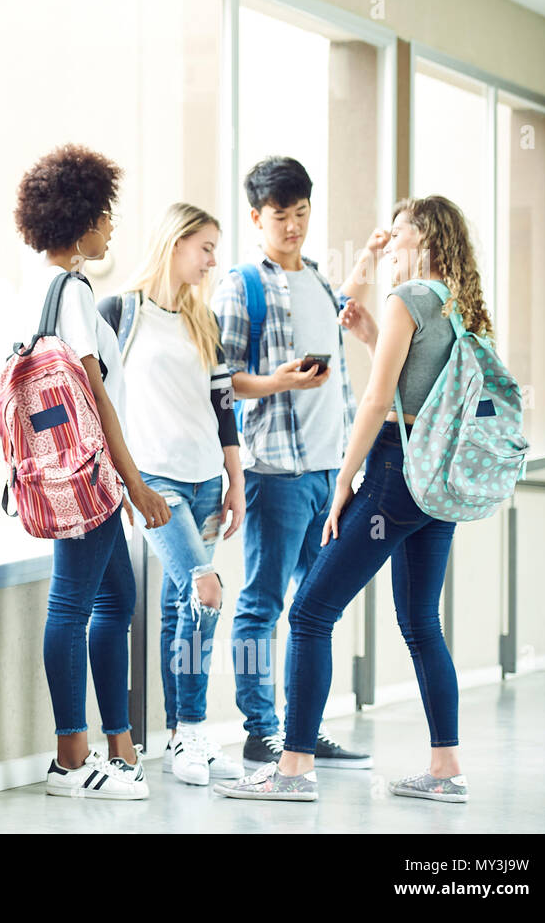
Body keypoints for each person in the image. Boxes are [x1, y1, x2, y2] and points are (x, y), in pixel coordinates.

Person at [215, 195, 492, 803]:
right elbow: (414, 389)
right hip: (436, 484)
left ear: (424, 240)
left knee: (311, 612)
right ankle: (446, 769)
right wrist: (371, 337)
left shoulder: (407, 298)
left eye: (398, 234)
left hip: (395, 475)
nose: (389, 244)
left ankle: (293, 768)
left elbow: (374, 403)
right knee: (422, 623)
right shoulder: (458, 305)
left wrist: (345, 482)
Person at [13, 144, 172, 800]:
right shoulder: (73, 292)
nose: (112, 227)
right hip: (89, 473)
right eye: (105, 214)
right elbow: (97, 395)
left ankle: (118, 743)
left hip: (66, 470)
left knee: (115, 600)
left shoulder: (38, 289)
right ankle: (72, 759)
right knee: (75, 602)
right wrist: (135, 484)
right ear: (78, 217)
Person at [211, 156, 376, 770]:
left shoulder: (320, 281)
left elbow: (339, 382)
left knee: (315, 607)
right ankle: (262, 729)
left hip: (328, 473)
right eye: (281, 216)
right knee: (261, 605)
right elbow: (220, 381)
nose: (294, 227)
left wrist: (349, 460)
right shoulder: (240, 284)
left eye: (303, 214)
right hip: (273, 472)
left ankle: (304, 729)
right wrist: (276, 383)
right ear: (256, 217)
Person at [102, 203, 246, 787]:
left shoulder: (204, 319)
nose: (212, 260)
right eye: (205, 247)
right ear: (176, 242)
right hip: (155, 481)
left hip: (206, 478)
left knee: (180, 610)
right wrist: (124, 481)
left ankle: (179, 737)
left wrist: (236, 481)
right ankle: (191, 727)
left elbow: (224, 409)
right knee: (205, 590)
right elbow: (99, 399)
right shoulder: (120, 311)